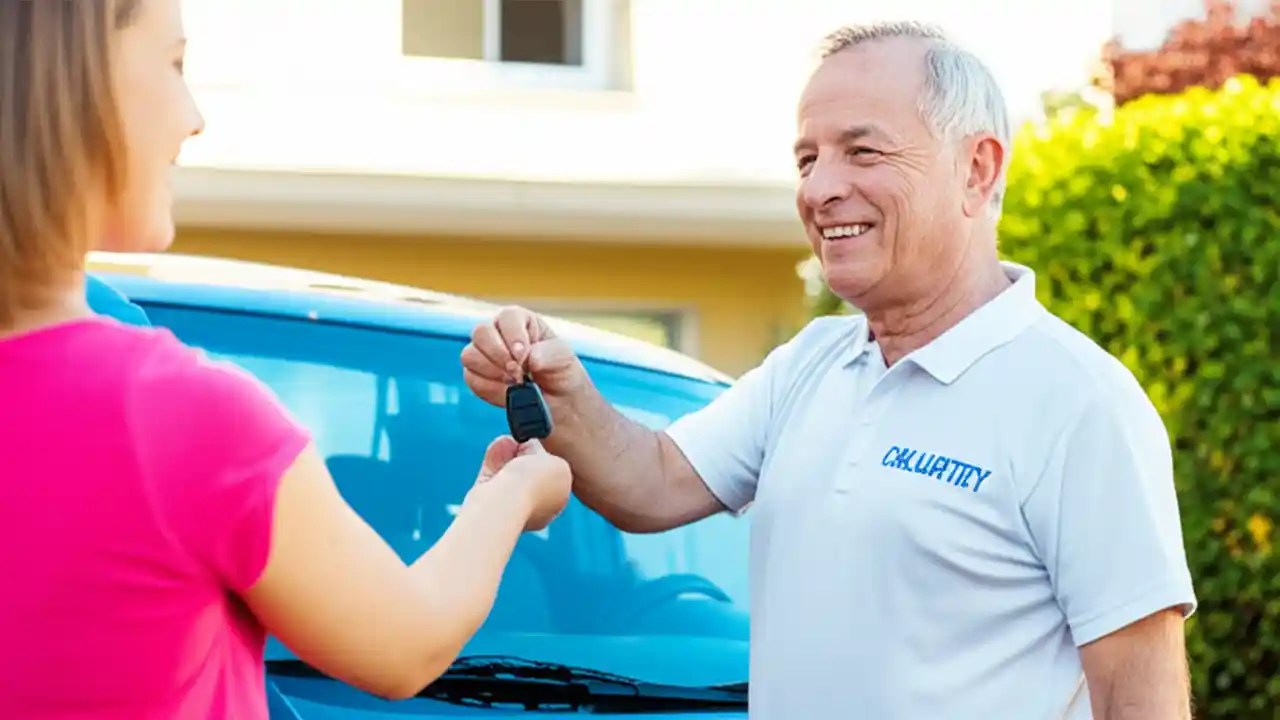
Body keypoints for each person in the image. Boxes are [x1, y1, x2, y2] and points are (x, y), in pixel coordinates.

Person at [462, 21, 1196, 720]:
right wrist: (564, 392)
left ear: (977, 169)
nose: (819, 191)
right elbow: (650, 481)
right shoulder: (813, 362)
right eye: (807, 159)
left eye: (862, 152)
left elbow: (1142, 698)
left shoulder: (1079, 403)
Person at [0, 1, 572, 718]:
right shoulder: (174, 419)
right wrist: (513, 494)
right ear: (73, 83)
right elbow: (407, 643)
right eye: (175, 64)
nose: (193, 115)